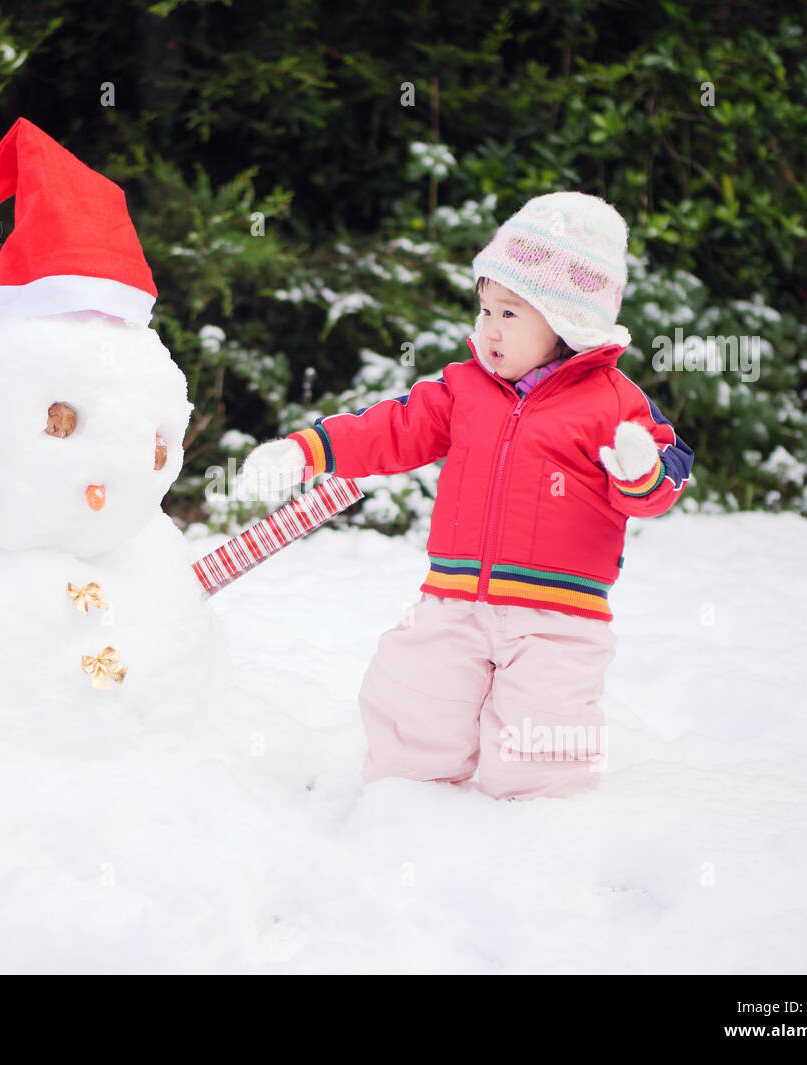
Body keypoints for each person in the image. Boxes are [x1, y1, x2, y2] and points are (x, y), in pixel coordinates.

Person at [239, 191, 694, 800]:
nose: (489, 328)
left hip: (558, 615)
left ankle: (538, 832)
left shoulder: (614, 401)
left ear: (566, 321)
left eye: (509, 312)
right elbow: (393, 428)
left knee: (544, 739)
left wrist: (638, 471)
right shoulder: (464, 388)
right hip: (454, 599)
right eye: (484, 309)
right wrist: (309, 451)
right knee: (411, 698)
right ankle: (402, 811)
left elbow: (660, 484)